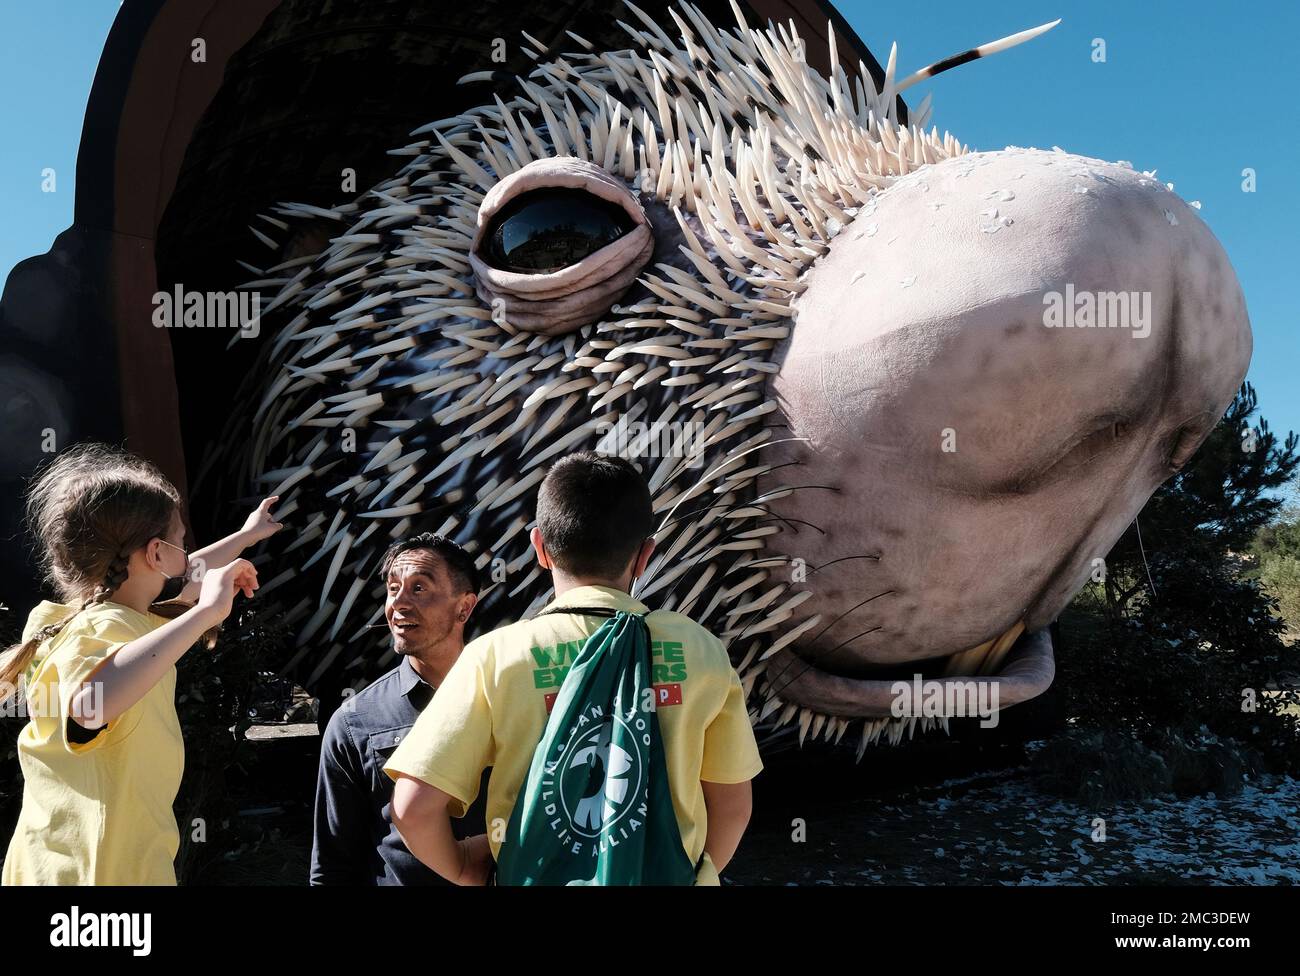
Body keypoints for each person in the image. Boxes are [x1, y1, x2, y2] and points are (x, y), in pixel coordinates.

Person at [384, 451, 762, 885]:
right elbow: (733, 807)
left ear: (540, 548)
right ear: (644, 556)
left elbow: (412, 808)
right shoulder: (701, 650)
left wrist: (465, 867)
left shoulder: (495, 657)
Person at [0, 442, 280, 885]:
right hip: (97, 879)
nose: (188, 554)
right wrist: (208, 613)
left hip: (64, 868)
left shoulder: (97, 620)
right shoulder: (103, 631)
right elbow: (88, 707)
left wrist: (248, 534)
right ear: (154, 554)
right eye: (181, 541)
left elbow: (188, 573)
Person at [310, 533, 488, 885]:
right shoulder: (354, 722)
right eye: (393, 589)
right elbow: (332, 865)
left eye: (419, 588)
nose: (398, 604)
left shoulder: (508, 698)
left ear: (464, 607)